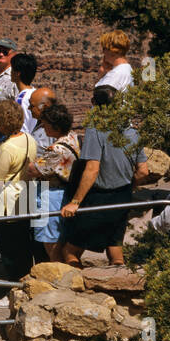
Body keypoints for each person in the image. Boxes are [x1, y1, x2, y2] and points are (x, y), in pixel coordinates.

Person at [59, 87, 149, 267]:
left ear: (94, 103)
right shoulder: (132, 130)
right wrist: (127, 189)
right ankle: (120, 287)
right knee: (114, 246)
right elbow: (143, 171)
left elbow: (92, 169)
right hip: (122, 196)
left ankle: (76, 290)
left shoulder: (96, 128)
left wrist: (75, 202)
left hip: (98, 198)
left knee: (70, 250)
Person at [0, 99, 36, 289]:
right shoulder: (29, 139)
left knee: (9, 247)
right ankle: (25, 281)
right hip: (26, 195)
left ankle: (14, 288)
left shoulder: (6, 148)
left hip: (8, 202)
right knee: (23, 244)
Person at [28, 101, 78, 262]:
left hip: (51, 197)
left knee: (51, 243)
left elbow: (34, 170)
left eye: (46, 124)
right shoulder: (72, 138)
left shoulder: (56, 150)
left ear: (55, 126)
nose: (43, 127)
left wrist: (28, 160)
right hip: (64, 193)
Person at [11, 52, 39, 137]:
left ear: (18, 73)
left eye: (12, 69)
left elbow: (22, 129)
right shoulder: (35, 93)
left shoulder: (22, 99)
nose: (10, 72)